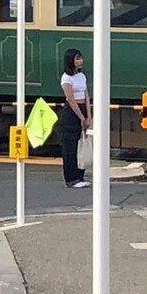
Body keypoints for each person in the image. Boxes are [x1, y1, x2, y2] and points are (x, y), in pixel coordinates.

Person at [59, 48, 92, 189]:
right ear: (70, 60)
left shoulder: (82, 76)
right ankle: (71, 179)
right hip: (72, 113)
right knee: (70, 146)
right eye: (77, 58)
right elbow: (71, 99)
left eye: (81, 58)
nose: (80, 61)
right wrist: (81, 117)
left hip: (83, 111)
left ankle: (80, 176)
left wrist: (89, 116)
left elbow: (86, 96)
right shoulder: (66, 78)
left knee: (81, 144)